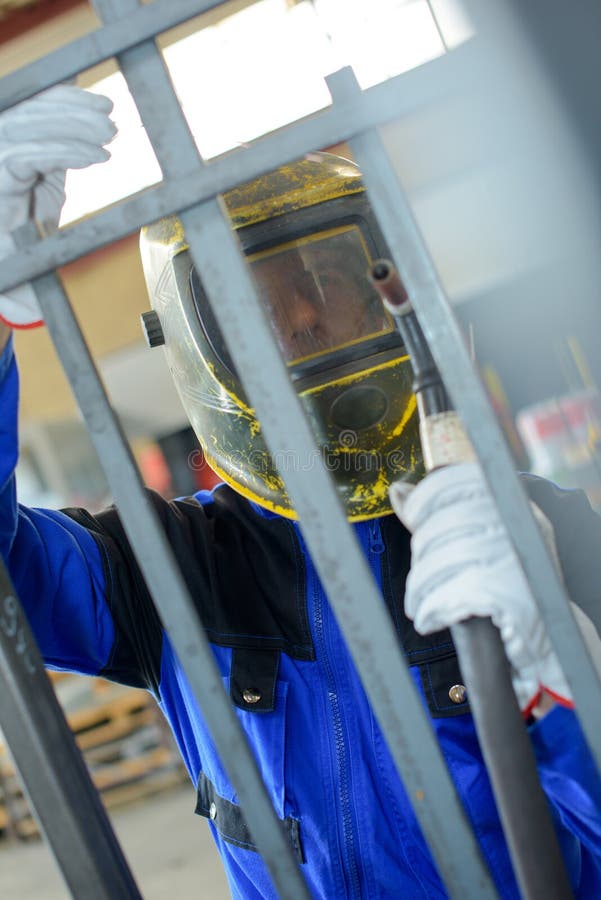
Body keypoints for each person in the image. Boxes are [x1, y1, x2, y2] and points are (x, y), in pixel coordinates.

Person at [1, 86, 601, 900]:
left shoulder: (539, 529)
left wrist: (567, 682)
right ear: (194, 341)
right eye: (252, 303)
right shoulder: (168, 564)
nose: (301, 321)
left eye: (328, 282)